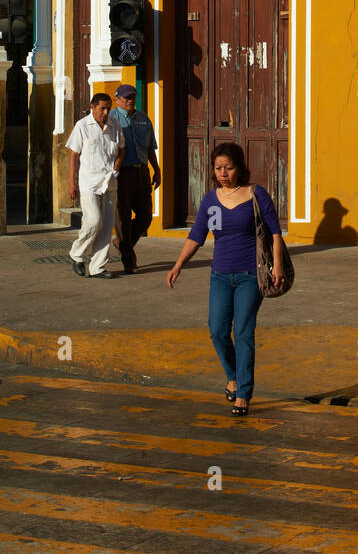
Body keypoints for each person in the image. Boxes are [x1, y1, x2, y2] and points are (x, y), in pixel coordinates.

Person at [166, 143, 285, 417]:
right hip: (219, 275)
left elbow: (275, 233)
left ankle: (243, 393)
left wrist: (276, 266)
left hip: (250, 276)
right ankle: (232, 376)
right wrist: (178, 265)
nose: (223, 173)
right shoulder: (210, 200)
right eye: (218, 168)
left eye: (228, 168)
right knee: (217, 330)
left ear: (240, 168)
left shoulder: (255, 195)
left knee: (243, 333)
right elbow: (196, 236)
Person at [67, 93, 124, 279]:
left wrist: (119, 161)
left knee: (107, 225)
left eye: (108, 108)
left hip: (109, 181)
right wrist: (71, 183)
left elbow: (121, 147)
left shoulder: (115, 125)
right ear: (92, 107)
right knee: (93, 220)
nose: (106, 112)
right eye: (102, 108)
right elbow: (74, 156)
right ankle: (77, 254)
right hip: (89, 183)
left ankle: (98, 266)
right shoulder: (82, 126)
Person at [109, 84, 161, 274]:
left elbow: (150, 148)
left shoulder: (143, 119)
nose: (130, 100)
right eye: (126, 97)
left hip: (141, 173)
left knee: (146, 216)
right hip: (121, 174)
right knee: (122, 218)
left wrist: (156, 169)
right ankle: (128, 261)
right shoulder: (111, 119)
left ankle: (123, 242)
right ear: (117, 99)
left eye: (132, 97)